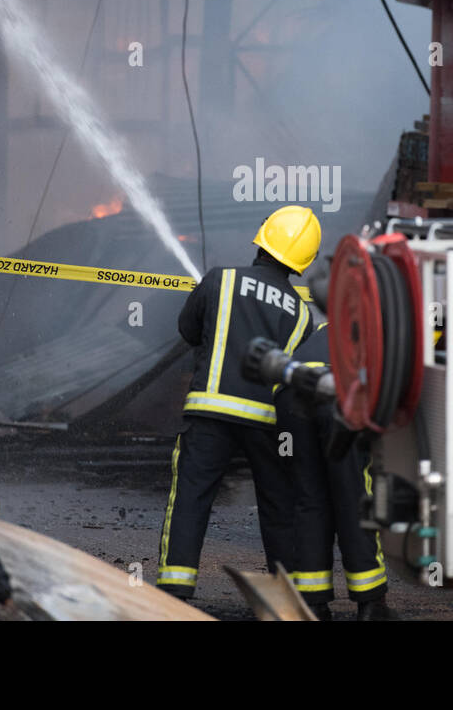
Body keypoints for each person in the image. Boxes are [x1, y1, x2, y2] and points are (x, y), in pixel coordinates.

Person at [156, 205, 320, 600]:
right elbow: (292, 375)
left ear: (262, 237)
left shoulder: (219, 280)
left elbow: (187, 329)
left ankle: (176, 592)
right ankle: (286, 598)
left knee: (191, 497)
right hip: (266, 423)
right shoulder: (302, 314)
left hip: (210, 411)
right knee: (278, 508)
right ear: (304, 261)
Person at [277, 320, 394, 621]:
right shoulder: (390, 326)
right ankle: (371, 603)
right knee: (354, 497)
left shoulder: (329, 323)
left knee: (310, 500)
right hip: (342, 392)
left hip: (292, 395)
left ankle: (312, 603)